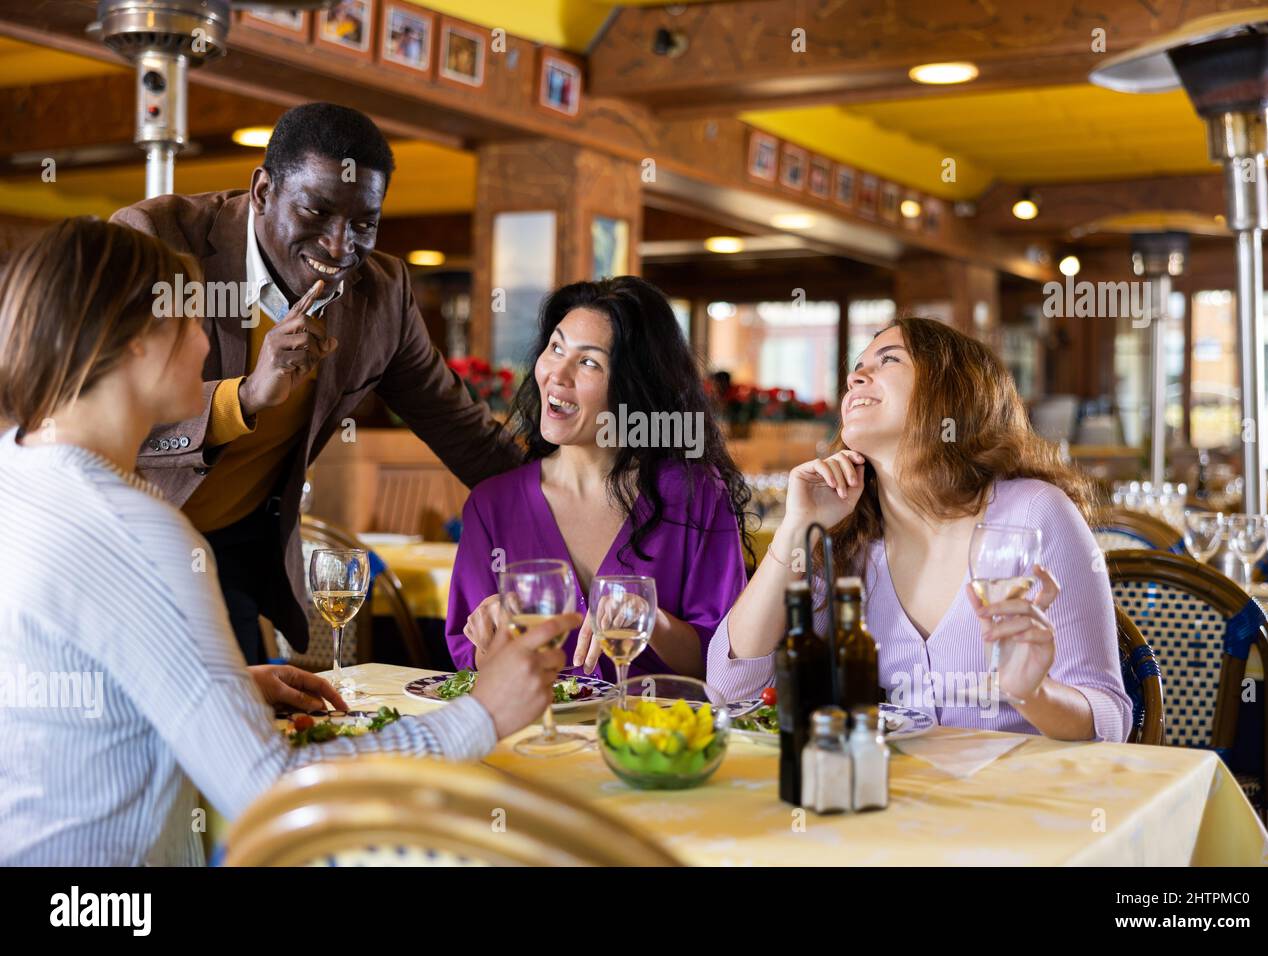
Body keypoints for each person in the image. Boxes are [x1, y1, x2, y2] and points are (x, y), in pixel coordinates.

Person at [0, 217, 571, 865]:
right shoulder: (136, 530)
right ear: (133, 343)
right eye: (190, 318)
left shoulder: (16, 473)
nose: (205, 341)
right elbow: (270, 791)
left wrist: (221, 687)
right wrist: (483, 714)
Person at [109, 102, 522, 663]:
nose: (338, 244)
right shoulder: (155, 243)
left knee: (250, 733)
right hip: (119, 546)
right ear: (261, 192)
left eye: (363, 223)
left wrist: (593, 492)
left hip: (228, 556)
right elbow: (104, 413)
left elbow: (463, 432)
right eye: (316, 212)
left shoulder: (383, 296)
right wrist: (248, 395)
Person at [708, 317, 1132, 742]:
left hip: (1021, 799)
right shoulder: (849, 536)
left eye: (888, 359)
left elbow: (1109, 720)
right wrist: (797, 529)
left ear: (952, 392)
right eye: (856, 368)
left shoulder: (1034, 513)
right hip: (896, 798)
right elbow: (731, 689)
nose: (855, 377)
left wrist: (1034, 693)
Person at [445, 277, 752, 683]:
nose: (558, 373)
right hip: (536, 738)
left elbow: (722, 664)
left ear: (634, 386)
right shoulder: (492, 504)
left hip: (656, 736)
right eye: (556, 348)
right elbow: (469, 661)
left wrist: (649, 620)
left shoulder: (696, 495)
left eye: (589, 362)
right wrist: (493, 639)